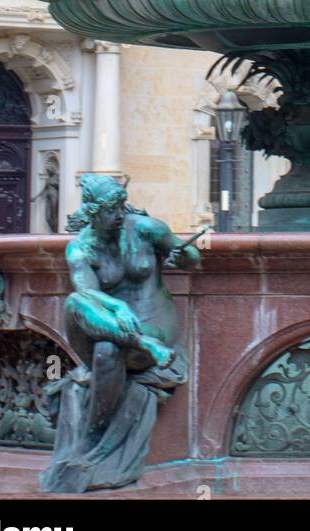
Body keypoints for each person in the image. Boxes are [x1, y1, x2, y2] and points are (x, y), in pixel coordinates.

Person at [40, 174, 200, 493]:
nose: (119, 215)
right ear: (93, 212)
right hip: (123, 331)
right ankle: (144, 348)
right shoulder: (80, 249)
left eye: (121, 207)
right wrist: (118, 307)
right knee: (76, 303)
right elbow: (85, 293)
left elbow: (193, 259)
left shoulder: (145, 229)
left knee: (106, 351)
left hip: (155, 326)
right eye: (111, 210)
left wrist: (185, 257)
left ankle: (90, 437)